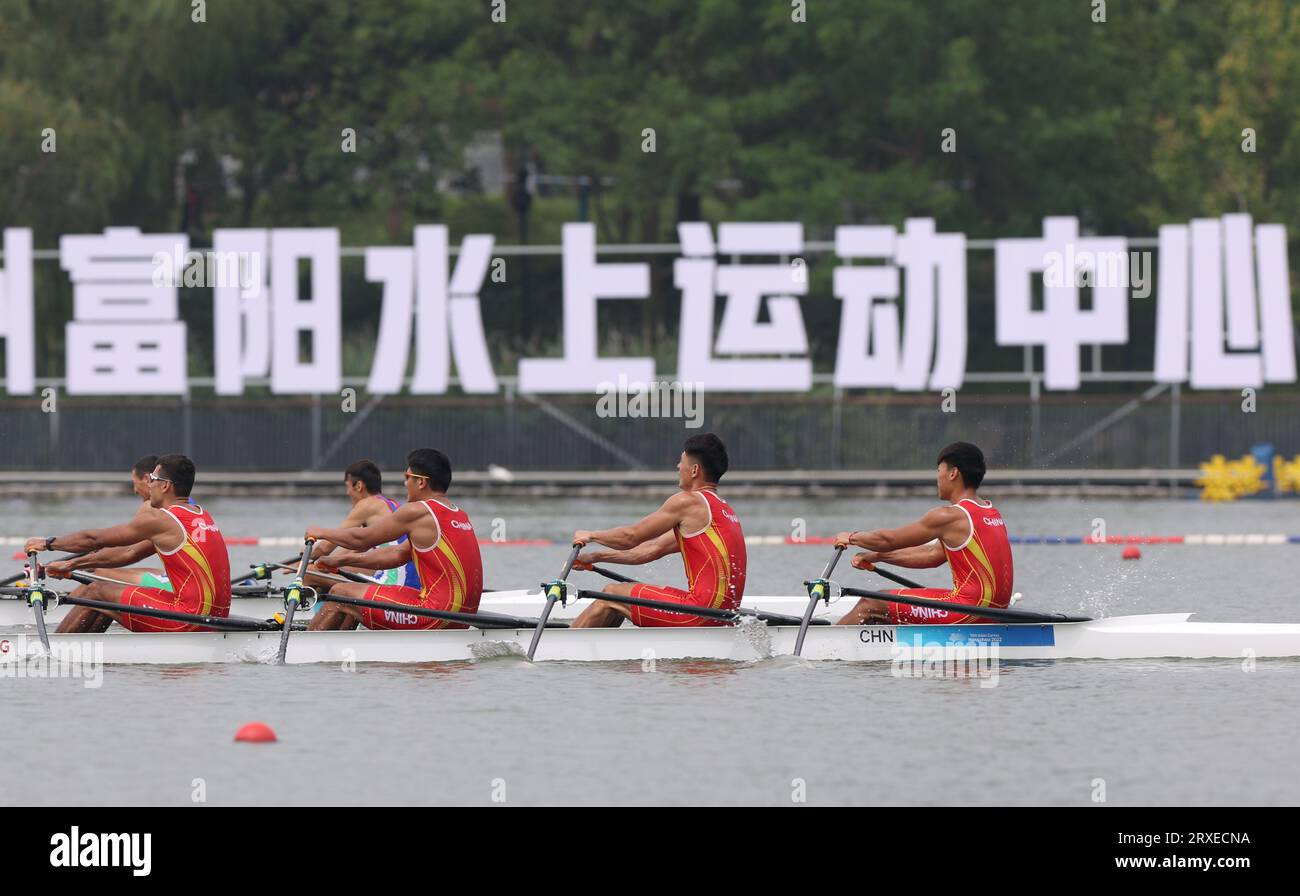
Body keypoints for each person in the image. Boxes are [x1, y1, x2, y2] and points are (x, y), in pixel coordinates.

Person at [28, 454, 232, 633]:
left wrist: (48, 543)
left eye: (152, 479)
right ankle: (90, 651)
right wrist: (71, 565)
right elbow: (128, 553)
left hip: (190, 618)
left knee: (96, 591)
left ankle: (54, 651)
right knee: (110, 595)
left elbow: (94, 539)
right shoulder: (202, 515)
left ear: (165, 485)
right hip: (216, 616)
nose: (148, 484)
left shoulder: (162, 520)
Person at [570, 433, 746, 628]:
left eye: (681, 462)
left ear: (694, 470)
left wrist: (591, 535)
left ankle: (562, 650)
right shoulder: (723, 511)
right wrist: (596, 557)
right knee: (620, 597)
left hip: (700, 612)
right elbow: (650, 549)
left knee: (611, 593)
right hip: (723, 615)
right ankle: (599, 650)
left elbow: (631, 537)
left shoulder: (687, 501)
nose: (678, 467)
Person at [834, 441, 1014, 625]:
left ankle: (825, 645)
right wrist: (878, 556)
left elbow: (888, 540)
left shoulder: (950, 516)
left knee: (871, 602)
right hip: (996, 611)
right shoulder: (990, 512)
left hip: (970, 611)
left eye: (939, 471)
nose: (937, 478)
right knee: (885, 607)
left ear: (953, 473)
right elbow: (931, 555)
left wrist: (851, 537)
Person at [304, 449, 483, 630]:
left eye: (407, 477)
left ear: (421, 481)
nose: (405, 483)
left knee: (340, 594)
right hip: (463, 616)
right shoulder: (459, 514)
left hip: (435, 614)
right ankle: (345, 648)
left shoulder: (417, 511)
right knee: (356, 597)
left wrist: (321, 532)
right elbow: (396, 554)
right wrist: (339, 560)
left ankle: (306, 650)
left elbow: (362, 539)